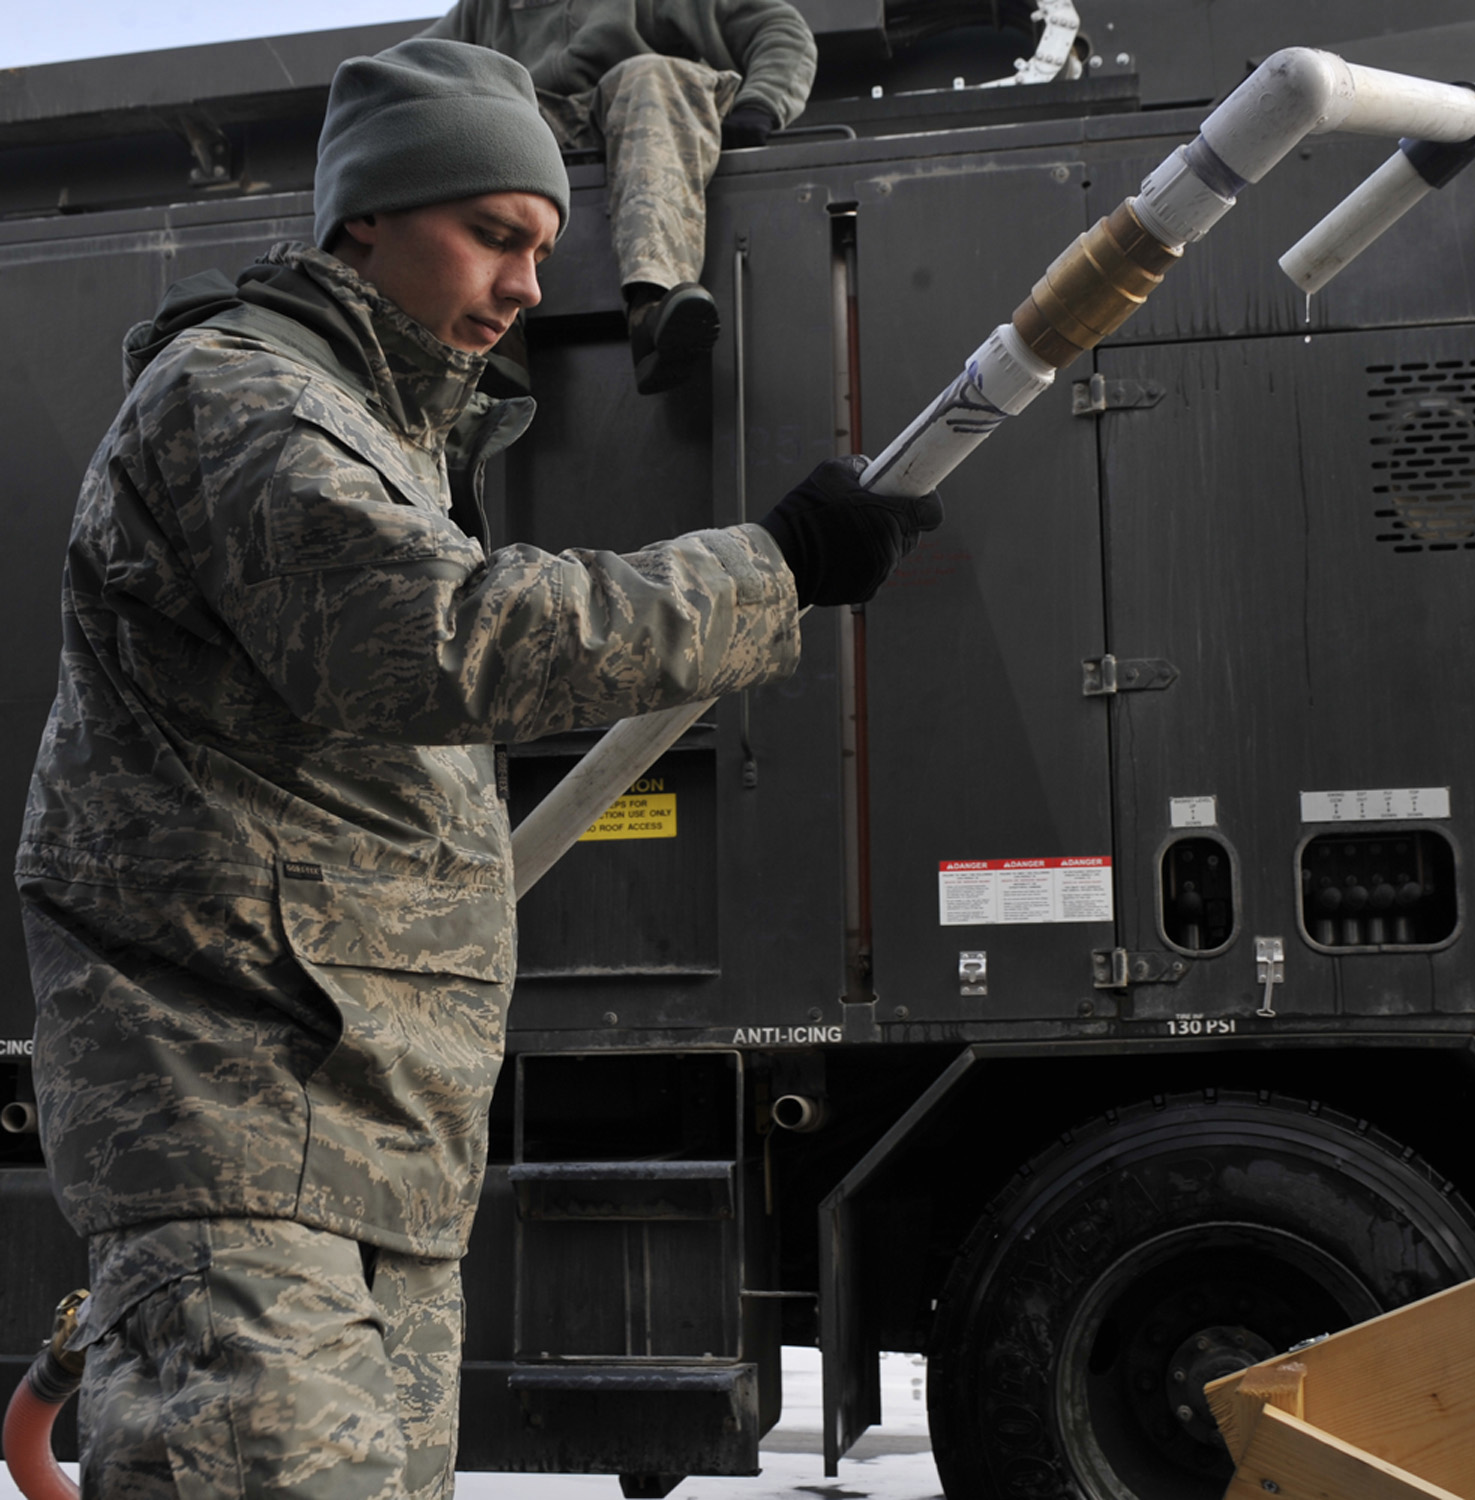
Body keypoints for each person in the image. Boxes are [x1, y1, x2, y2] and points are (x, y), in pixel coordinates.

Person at [16, 37, 935, 1500]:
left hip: (366, 1147)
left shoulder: (393, 438)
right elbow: (447, 638)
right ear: (366, 218)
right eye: (493, 235)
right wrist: (771, 570)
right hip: (248, 1134)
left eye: (544, 249)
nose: (524, 288)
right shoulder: (243, 401)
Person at [420, 0, 819, 394]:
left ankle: (654, 306)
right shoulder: (485, 9)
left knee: (651, 73)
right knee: (492, 111)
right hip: (534, 132)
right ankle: (493, 334)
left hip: (644, 118)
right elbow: (415, 66)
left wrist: (761, 102)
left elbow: (779, 28)